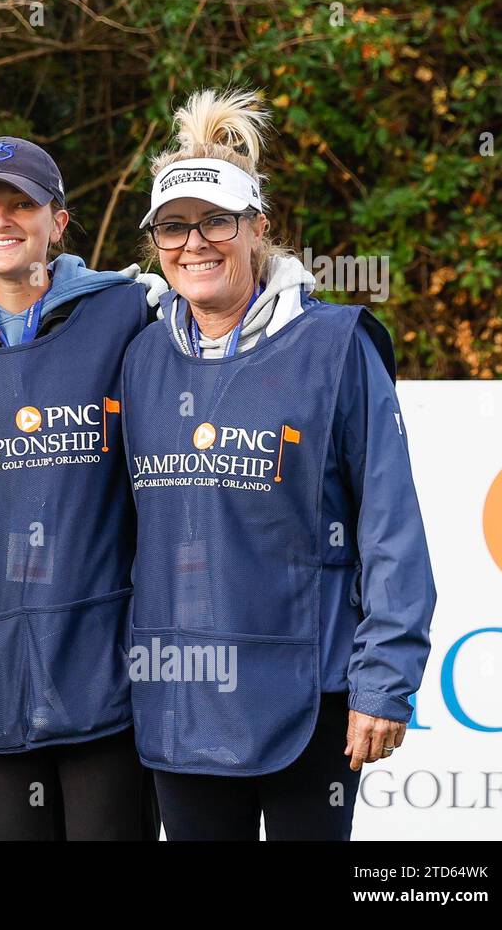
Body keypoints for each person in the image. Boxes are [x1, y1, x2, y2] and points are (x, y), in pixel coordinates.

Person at [120, 89, 436, 840]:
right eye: (173, 227)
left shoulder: (336, 346)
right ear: (155, 243)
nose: (194, 243)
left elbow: (391, 527)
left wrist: (383, 683)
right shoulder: (138, 359)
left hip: (313, 689)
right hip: (180, 691)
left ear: (258, 228)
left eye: (216, 222)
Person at [0, 137, 163, 840]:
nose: (0, 221)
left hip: (107, 670)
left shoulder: (127, 312)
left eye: (21, 204)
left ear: (57, 222)